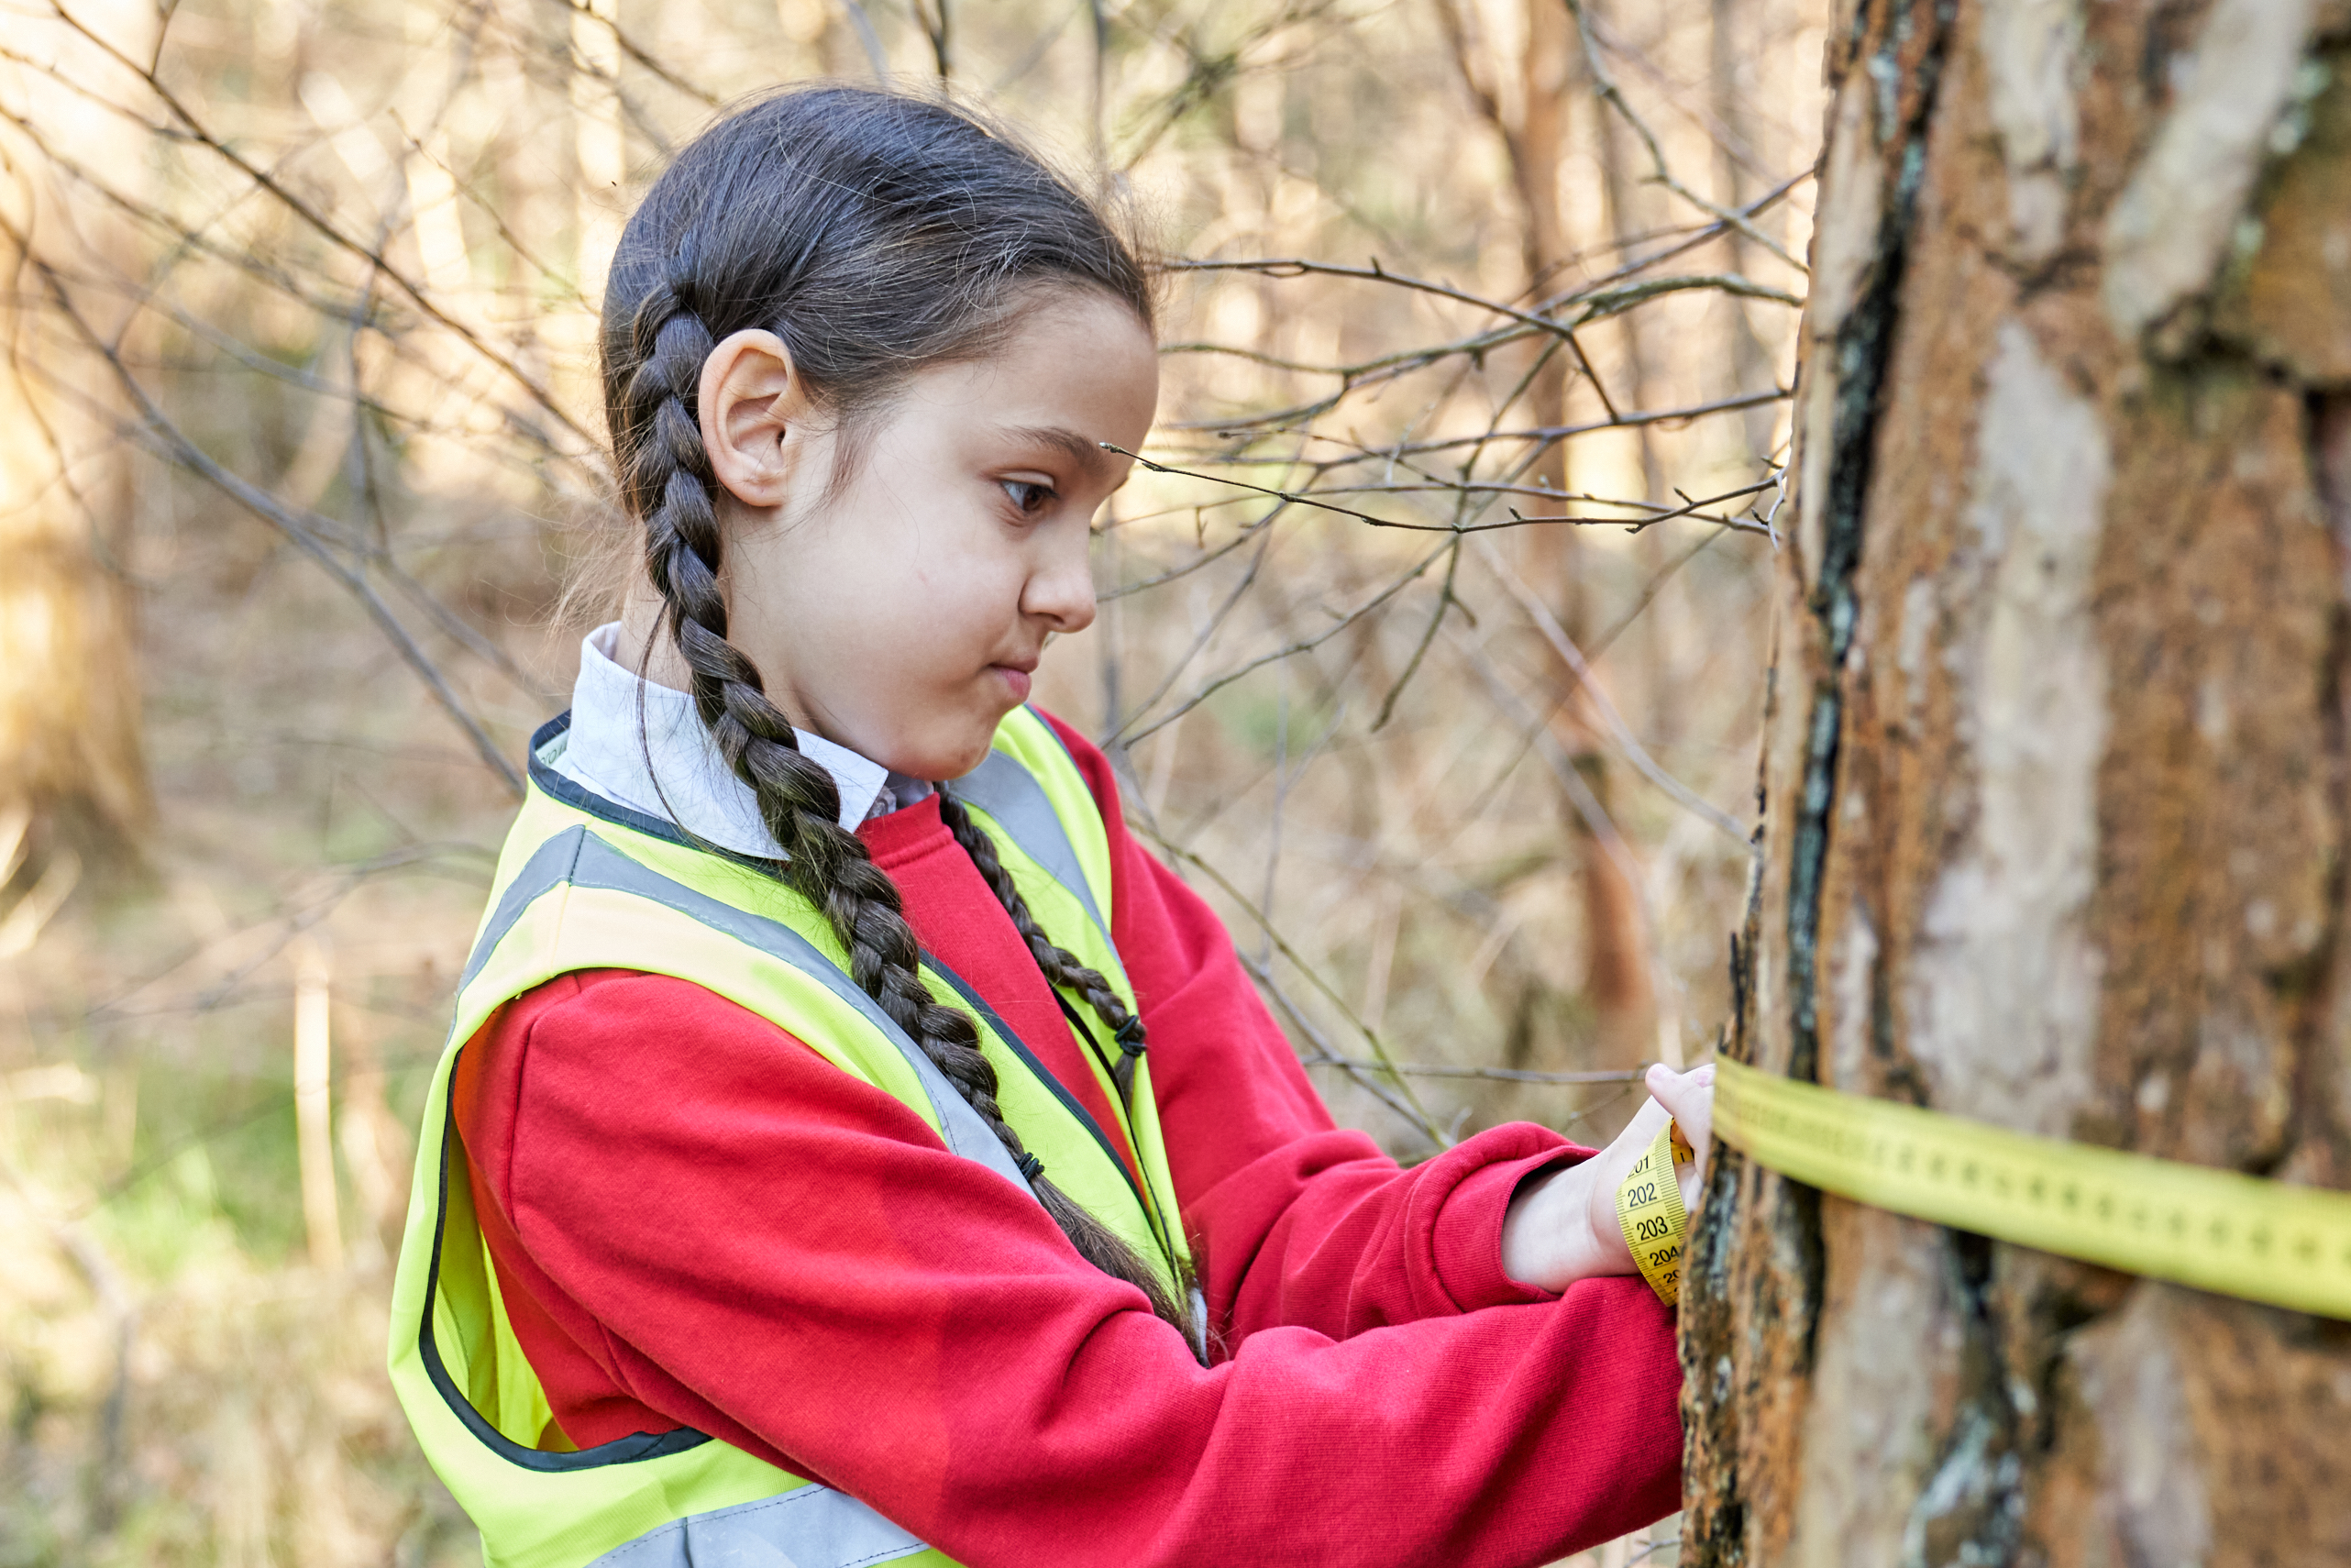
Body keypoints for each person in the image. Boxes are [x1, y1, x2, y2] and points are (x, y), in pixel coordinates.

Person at [387, 83, 1717, 1568]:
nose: (1078, 586)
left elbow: (1272, 1232)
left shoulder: (1030, 800)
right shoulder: (612, 1030)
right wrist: (1728, 1354)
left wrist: (1594, 1215)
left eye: (1095, 513)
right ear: (760, 427)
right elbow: (1147, 1483)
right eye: (1029, 493)